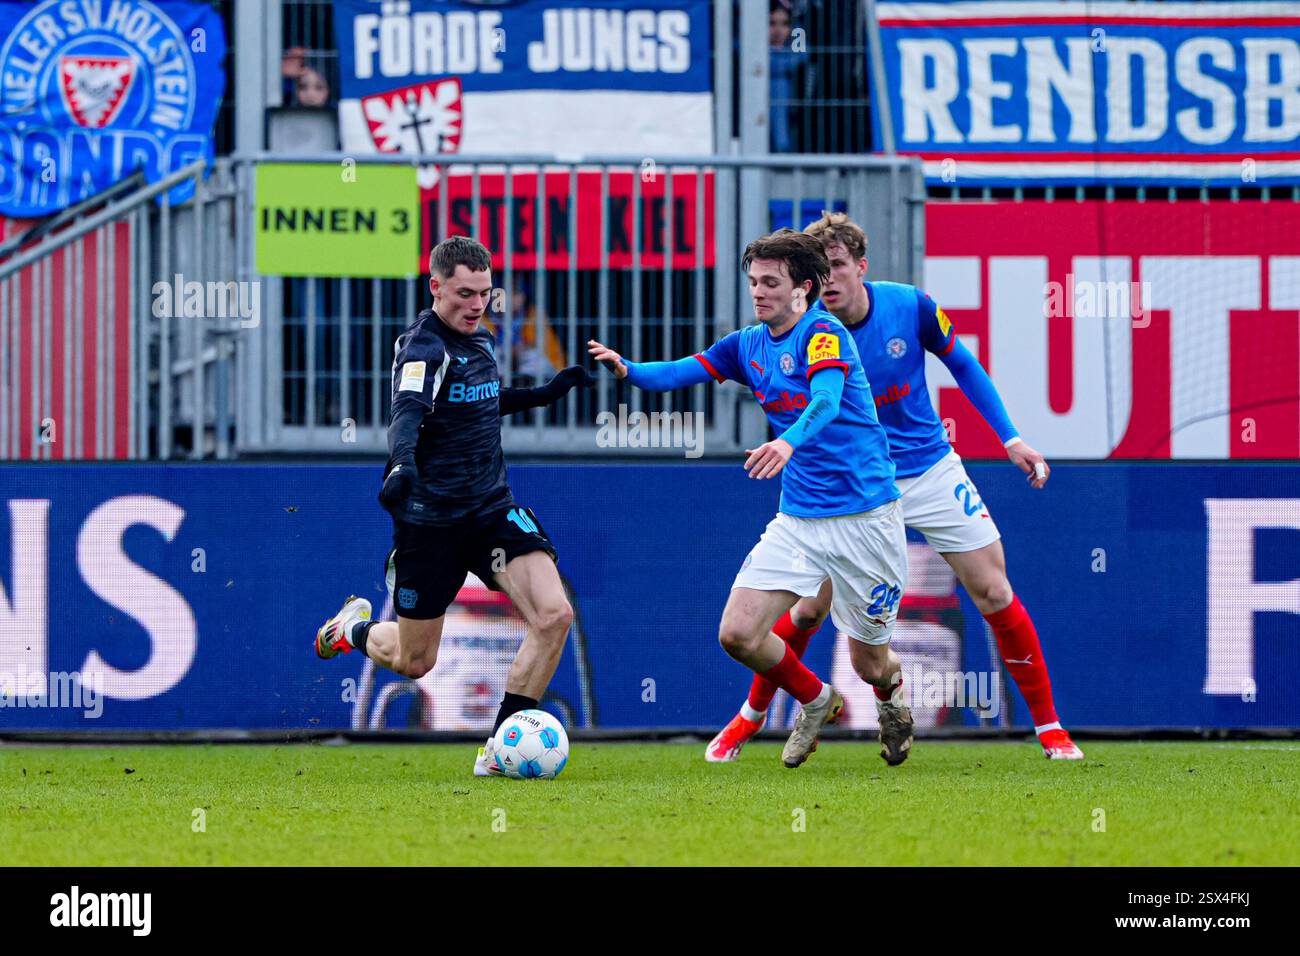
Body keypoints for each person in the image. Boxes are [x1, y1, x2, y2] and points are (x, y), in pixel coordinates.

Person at [706, 212, 1084, 763]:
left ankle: (1050, 729)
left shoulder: (911, 307)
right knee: (806, 613)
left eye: (837, 266)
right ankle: (752, 716)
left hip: (928, 469)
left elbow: (965, 366)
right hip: (852, 490)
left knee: (995, 592)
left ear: (861, 267)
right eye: (819, 269)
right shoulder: (800, 332)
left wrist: (1011, 437)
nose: (828, 279)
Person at [589, 229, 914, 768]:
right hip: (801, 519)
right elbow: (681, 371)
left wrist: (788, 441)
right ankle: (814, 699)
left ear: (804, 288)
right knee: (738, 634)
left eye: (770, 282)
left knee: (869, 663)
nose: (758, 292)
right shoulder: (748, 344)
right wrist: (630, 371)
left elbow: (828, 400)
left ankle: (892, 697)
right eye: (753, 282)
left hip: (866, 518)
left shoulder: (824, 334)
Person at [313, 236, 594, 777]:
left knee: (554, 615)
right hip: (430, 524)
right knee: (416, 662)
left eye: (485, 293)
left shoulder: (479, 339)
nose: (476, 305)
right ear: (435, 287)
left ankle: (499, 749)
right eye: (464, 294)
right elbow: (408, 413)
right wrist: (399, 465)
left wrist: (541, 394)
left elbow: (481, 400)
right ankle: (353, 630)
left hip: (490, 510)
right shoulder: (424, 348)